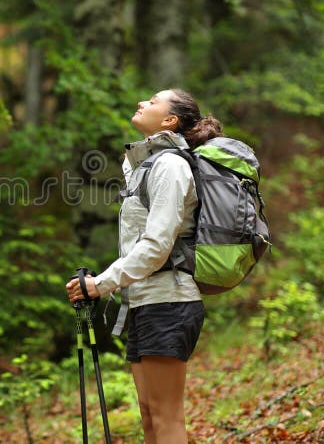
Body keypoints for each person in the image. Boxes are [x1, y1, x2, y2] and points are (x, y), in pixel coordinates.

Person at [66, 88, 223, 444]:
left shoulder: (170, 165)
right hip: (145, 303)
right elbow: (143, 245)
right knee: (150, 417)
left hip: (170, 302)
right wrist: (98, 282)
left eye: (153, 102)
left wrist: (102, 284)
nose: (141, 103)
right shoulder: (144, 166)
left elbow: (156, 246)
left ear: (170, 120)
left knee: (167, 418)